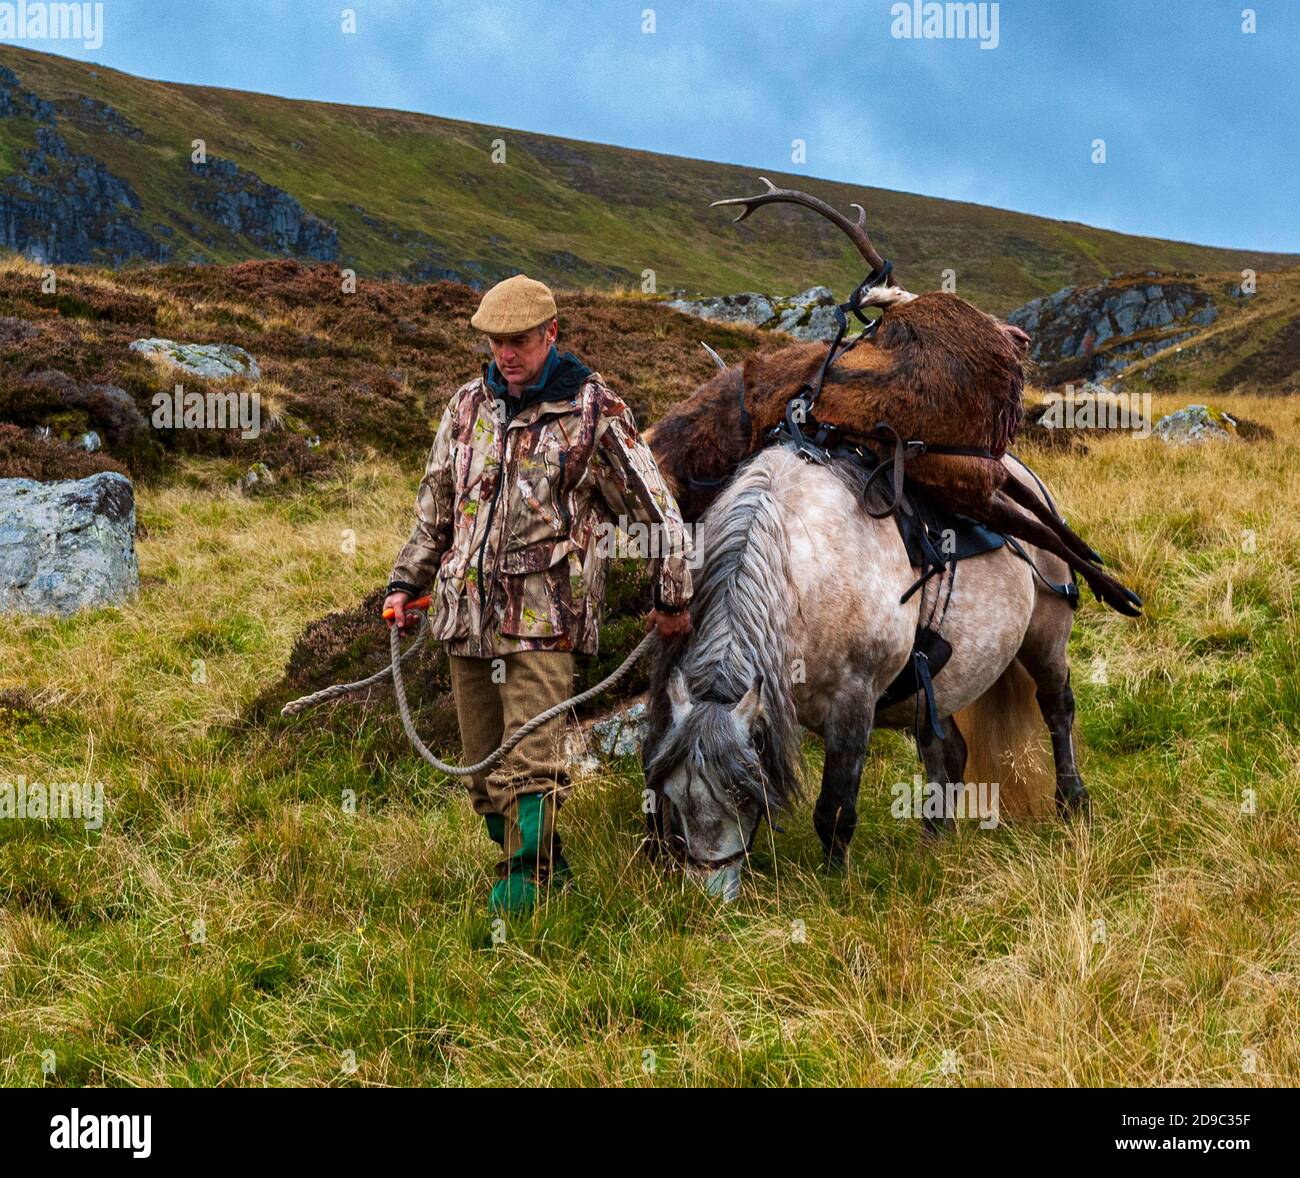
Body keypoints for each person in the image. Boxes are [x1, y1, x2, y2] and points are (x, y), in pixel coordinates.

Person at [383, 274, 694, 914]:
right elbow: (436, 509)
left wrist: (671, 598)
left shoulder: (593, 413)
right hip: (464, 619)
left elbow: (656, 511)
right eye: (496, 342)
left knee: (529, 768)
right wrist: (406, 583)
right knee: (479, 772)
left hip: (545, 622)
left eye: (519, 340)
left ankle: (525, 897)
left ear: (551, 334)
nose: (506, 354)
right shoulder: (467, 407)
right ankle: (543, 865)